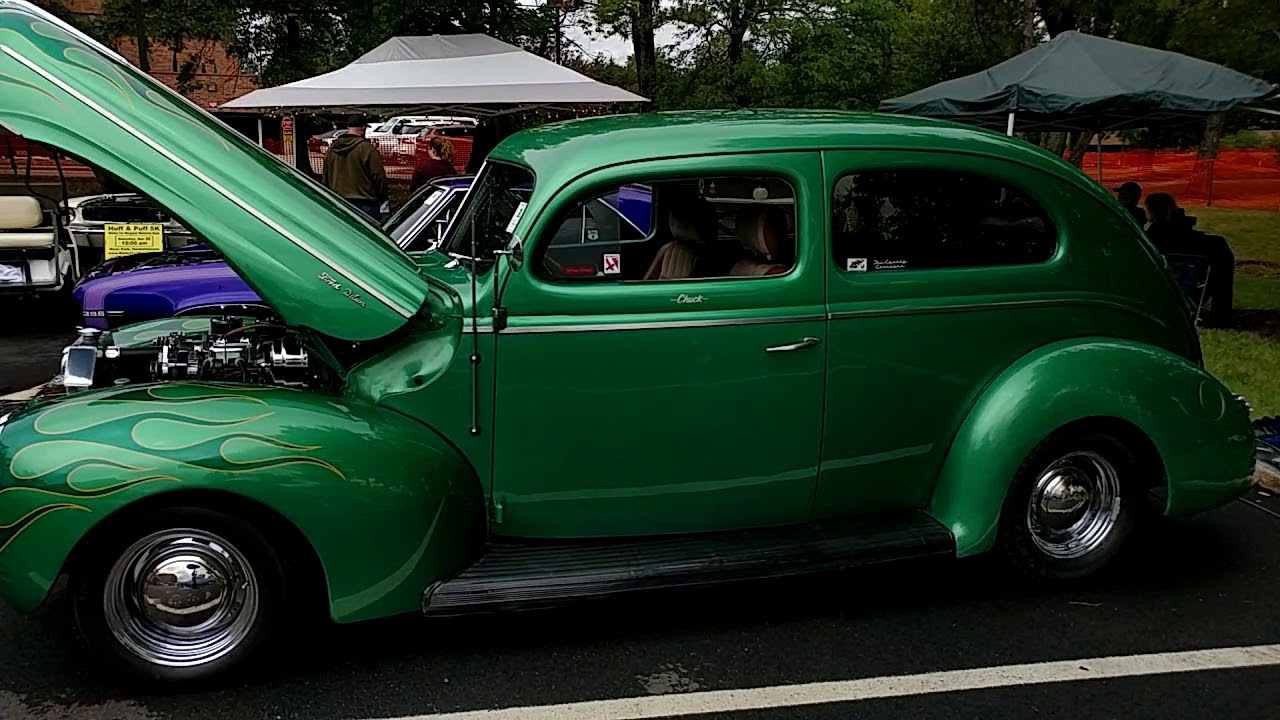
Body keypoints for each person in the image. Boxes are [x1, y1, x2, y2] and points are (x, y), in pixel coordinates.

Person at [1144, 192, 1234, 326]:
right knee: (1220, 259)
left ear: (1151, 211)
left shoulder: (1151, 237)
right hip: (1188, 277)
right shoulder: (1190, 236)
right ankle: (1221, 313)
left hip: (1168, 280)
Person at [322, 113, 389, 221]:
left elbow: (325, 177)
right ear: (363, 129)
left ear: (348, 128)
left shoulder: (332, 149)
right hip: (366, 204)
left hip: (339, 202)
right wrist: (382, 197)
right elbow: (378, 176)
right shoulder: (367, 149)